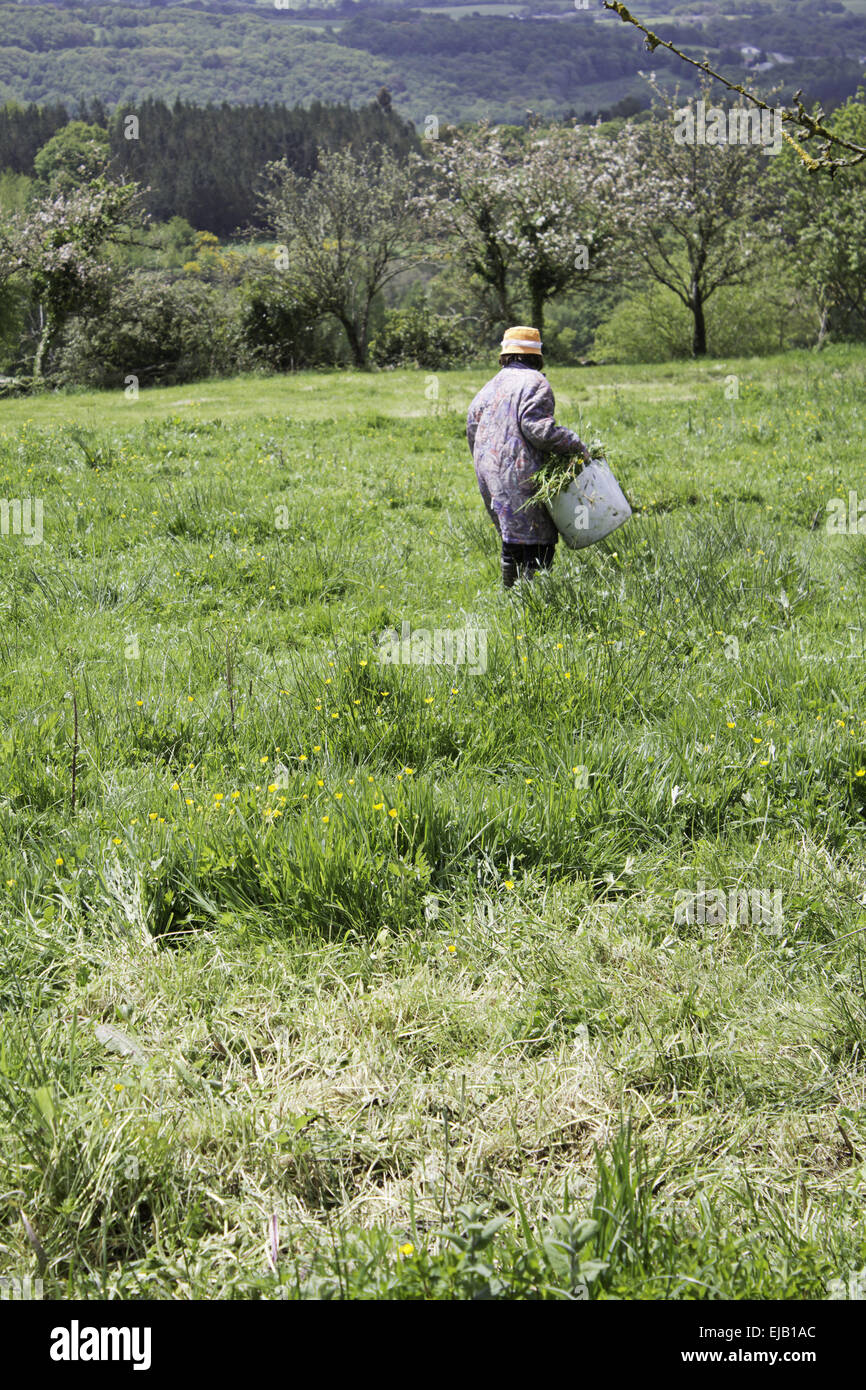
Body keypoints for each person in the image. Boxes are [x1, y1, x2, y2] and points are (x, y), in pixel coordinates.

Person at [466, 326, 591, 589]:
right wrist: (576, 445)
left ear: (505, 355)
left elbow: (472, 431)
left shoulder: (489, 387)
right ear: (536, 355)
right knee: (538, 537)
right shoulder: (535, 382)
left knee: (512, 537)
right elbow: (539, 430)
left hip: (489, 475)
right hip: (522, 473)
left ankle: (511, 596)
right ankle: (536, 600)